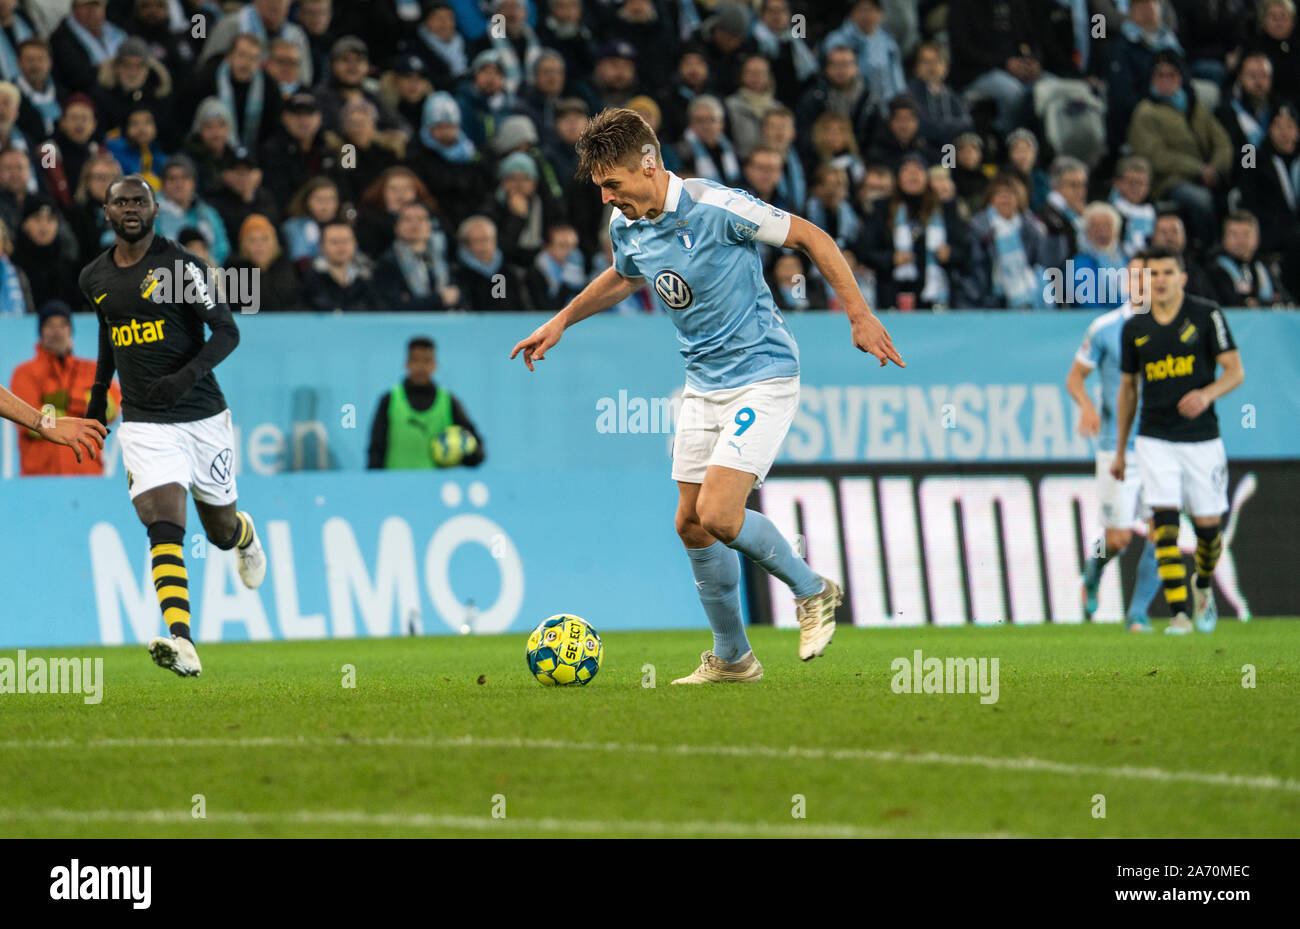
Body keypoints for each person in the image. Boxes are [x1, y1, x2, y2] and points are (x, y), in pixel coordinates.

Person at [511, 107, 903, 683]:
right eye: (599, 187)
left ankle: (813, 589)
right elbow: (624, 275)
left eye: (611, 184)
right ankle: (734, 658)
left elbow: (811, 237)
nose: (605, 198)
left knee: (719, 513)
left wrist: (859, 315)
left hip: (763, 373)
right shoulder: (627, 225)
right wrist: (563, 320)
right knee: (690, 524)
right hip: (703, 384)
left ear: (648, 165)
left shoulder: (720, 207)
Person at [79, 174, 267, 677]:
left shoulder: (182, 267)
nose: (131, 208)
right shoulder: (94, 277)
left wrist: (183, 379)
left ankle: (245, 536)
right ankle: (182, 640)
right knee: (162, 523)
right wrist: (99, 396)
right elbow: (111, 332)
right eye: (121, 202)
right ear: (107, 213)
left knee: (220, 530)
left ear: (156, 208)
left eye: (139, 200)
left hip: (202, 416)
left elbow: (228, 331)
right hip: (144, 422)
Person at [1112, 246, 1246, 634]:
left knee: (1208, 531)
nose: (1161, 280)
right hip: (1155, 437)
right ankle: (1181, 614)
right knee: (1164, 525)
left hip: (1202, 440)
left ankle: (1202, 585)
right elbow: (1128, 391)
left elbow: (1235, 371)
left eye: (1168, 272)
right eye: (1153, 274)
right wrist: (1121, 451)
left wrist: (1206, 395)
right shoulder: (1135, 328)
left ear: (1182, 277)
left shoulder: (1207, 316)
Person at [1064, 256, 1162, 632]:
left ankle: (1137, 614)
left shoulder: (1174, 327)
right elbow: (1075, 378)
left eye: (1149, 276)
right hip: (1116, 447)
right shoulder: (1105, 328)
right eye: (1136, 276)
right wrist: (1087, 406)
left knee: (1162, 530)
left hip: (1161, 446)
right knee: (1118, 539)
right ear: (1125, 283)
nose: (1143, 282)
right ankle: (1093, 572)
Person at [10, 300, 121, 474]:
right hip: (39, 478)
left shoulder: (92, 369)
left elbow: (110, 411)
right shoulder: (24, 372)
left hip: (86, 474)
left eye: (63, 325)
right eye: (50, 325)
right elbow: (26, 422)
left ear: (70, 331)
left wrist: (66, 400)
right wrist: (84, 406)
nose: (56, 331)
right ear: (40, 332)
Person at [366, 336, 485, 470]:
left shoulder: (449, 402)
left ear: (435, 365)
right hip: (396, 486)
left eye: (427, 361)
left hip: (436, 487)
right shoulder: (389, 400)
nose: (421, 367)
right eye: (416, 360)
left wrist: (467, 456)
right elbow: (376, 449)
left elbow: (477, 450)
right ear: (407, 364)